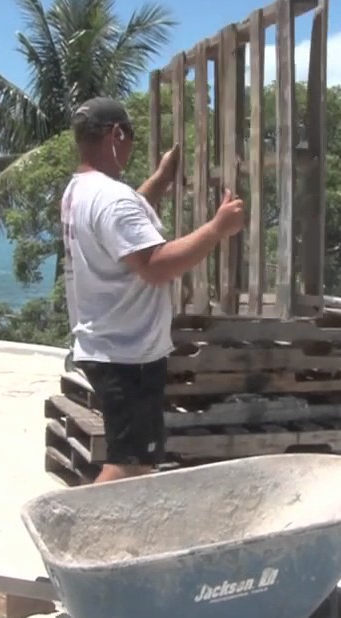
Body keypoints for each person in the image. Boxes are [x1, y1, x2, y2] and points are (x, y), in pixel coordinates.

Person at [60, 97, 245, 483]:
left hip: (107, 345)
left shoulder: (81, 191)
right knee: (129, 465)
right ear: (116, 134)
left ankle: (95, 521)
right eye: (130, 135)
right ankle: (78, 521)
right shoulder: (112, 198)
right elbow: (156, 266)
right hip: (127, 356)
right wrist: (217, 229)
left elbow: (123, 224)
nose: (131, 145)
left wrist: (160, 179)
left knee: (134, 461)